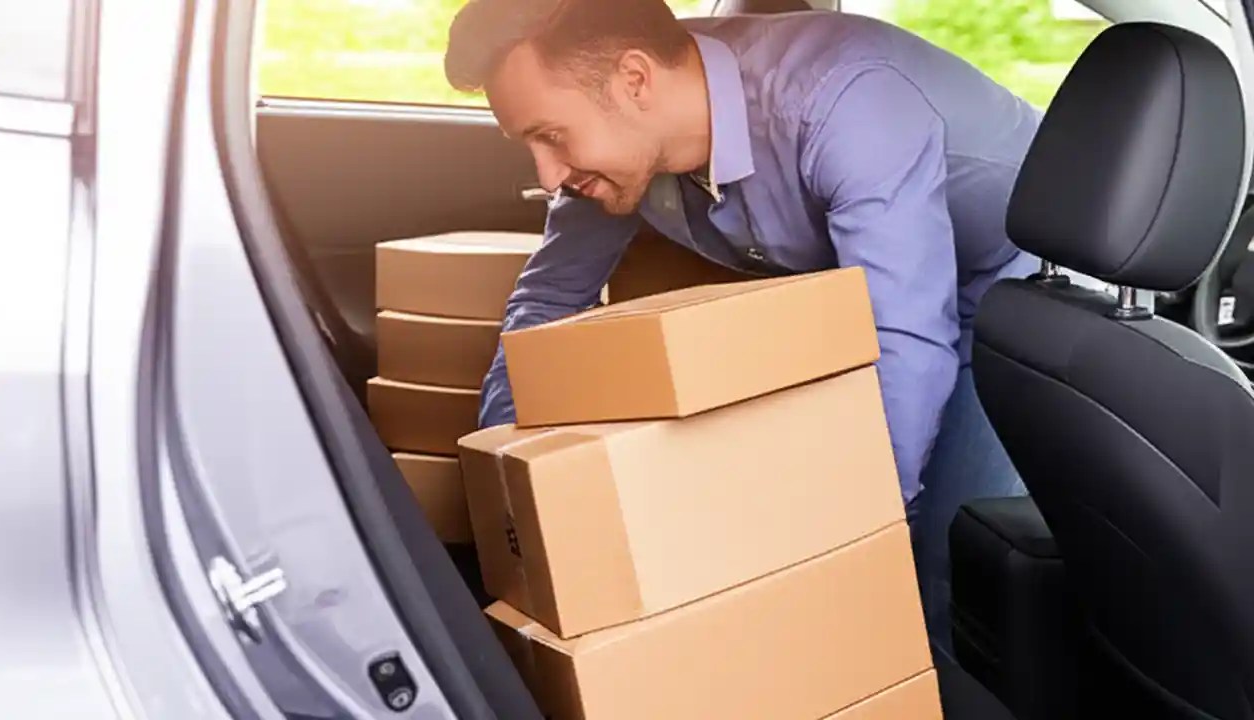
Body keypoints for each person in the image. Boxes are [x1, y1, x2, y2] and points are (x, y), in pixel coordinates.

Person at [444, 0, 1038, 658]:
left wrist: (840, 542)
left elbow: (904, 345)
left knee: (928, 563)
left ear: (634, 80)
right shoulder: (620, 154)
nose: (547, 174)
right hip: (875, 297)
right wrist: (507, 471)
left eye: (551, 135)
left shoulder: (842, 100)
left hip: (1007, 287)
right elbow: (548, 300)